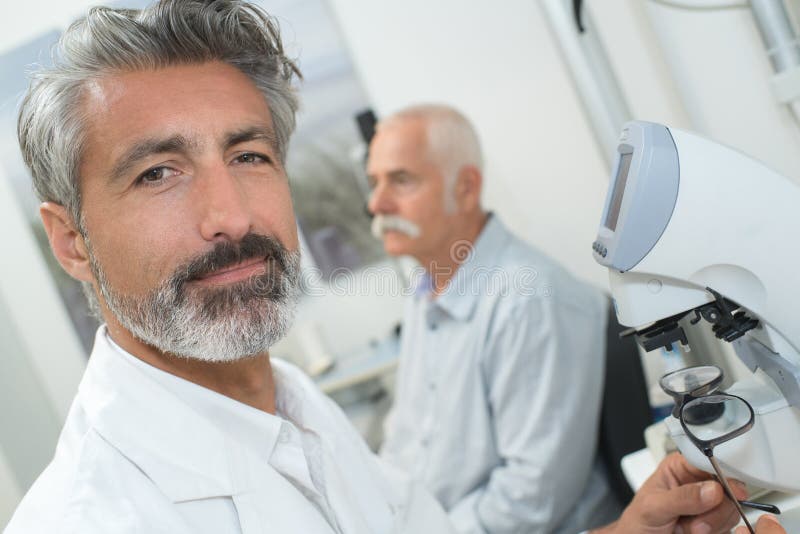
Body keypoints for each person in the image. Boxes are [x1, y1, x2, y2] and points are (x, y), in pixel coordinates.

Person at [3, 1, 783, 533]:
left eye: (249, 155)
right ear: (71, 240)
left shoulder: (291, 405)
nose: (232, 216)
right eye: (157, 174)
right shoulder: (91, 516)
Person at [369, 104, 617, 533]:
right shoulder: (425, 291)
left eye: (401, 180)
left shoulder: (530, 301)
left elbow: (532, 498)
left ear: (465, 188)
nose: (377, 203)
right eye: (374, 183)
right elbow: (406, 440)